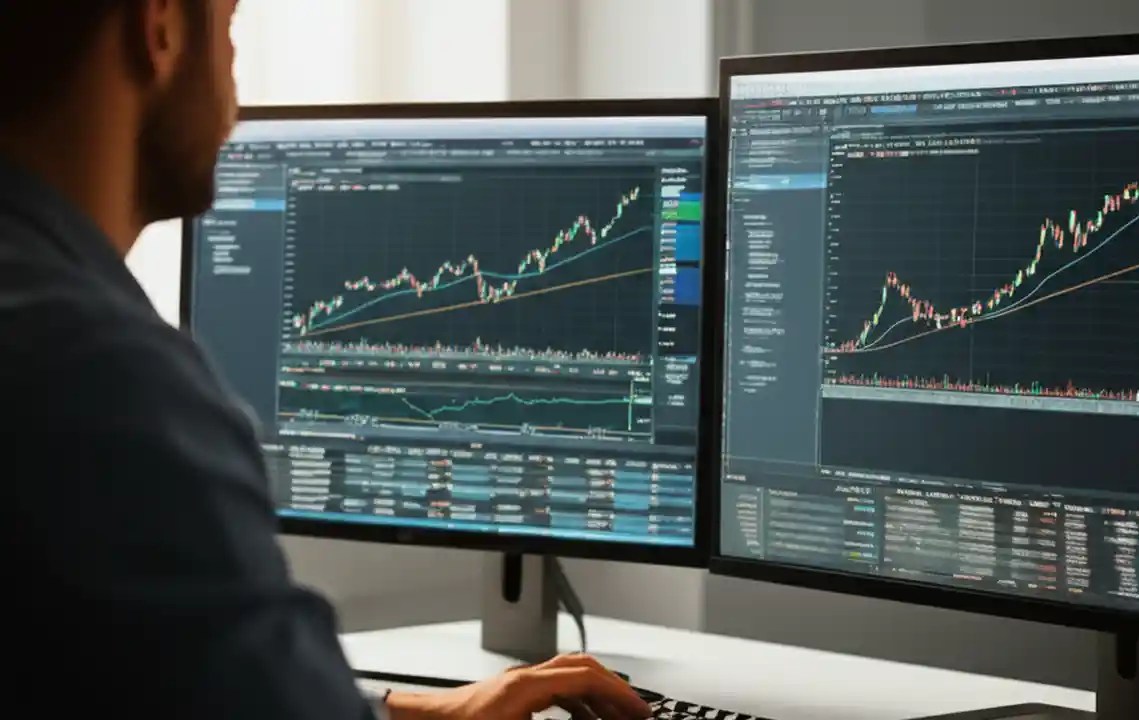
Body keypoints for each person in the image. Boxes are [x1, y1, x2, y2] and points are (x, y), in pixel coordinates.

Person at [0, 1, 652, 719]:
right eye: (228, 22)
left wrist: (416, 711)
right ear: (159, 27)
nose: (234, 79)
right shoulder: (106, 388)